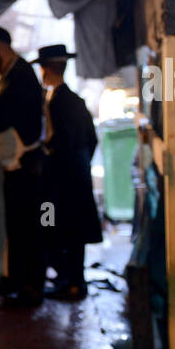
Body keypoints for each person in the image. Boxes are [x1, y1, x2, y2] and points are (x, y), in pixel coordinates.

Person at [0, 26, 46, 308]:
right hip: (14, 166)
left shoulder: (21, 74)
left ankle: (30, 289)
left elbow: (5, 114)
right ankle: (19, 284)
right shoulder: (8, 75)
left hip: (26, 166)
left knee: (27, 229)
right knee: (17, 229)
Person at [32, 44, 102, 300]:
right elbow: (91, 140)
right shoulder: (73, 100)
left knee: (68, 233)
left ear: (46, 69)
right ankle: (70, 281)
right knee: (72, 233)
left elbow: (59, 142)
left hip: (65, 182)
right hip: (77, 178)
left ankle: (74, 284)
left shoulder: (59, 101)